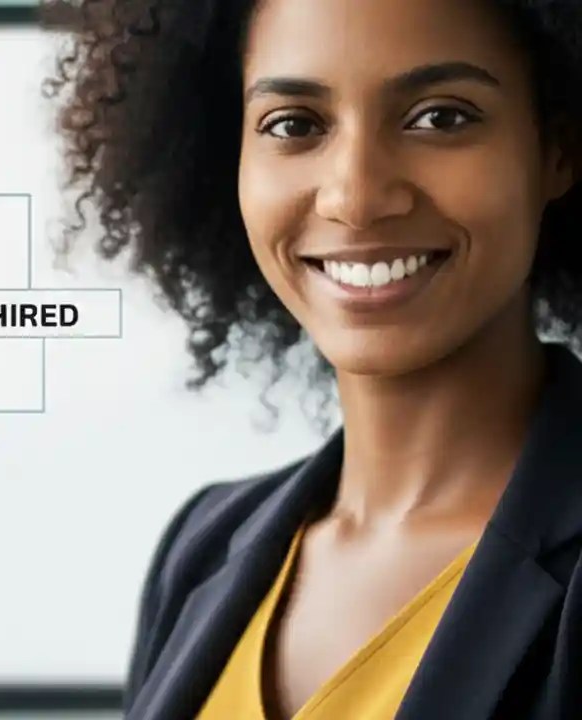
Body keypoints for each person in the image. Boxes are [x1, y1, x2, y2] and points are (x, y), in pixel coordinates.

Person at [50, 0, 582, 717]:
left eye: (440, 117)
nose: (356, 197)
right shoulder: (203, 547)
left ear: (558, 148)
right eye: (294, 125)